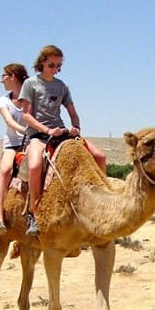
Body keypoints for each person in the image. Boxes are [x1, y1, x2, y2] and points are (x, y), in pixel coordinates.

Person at [18, 44, 106, 236]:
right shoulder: (30, 84)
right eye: (51, 64)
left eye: (58, 65)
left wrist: (76, 128)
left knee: (100, 156)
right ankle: (33, 212)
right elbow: (26, 115)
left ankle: (100, 203)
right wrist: (46, 129)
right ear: (42, 62)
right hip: (39, 134)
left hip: (61, 131)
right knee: (34, 166)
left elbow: (73, 112)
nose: (55, 69)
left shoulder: (62, 86)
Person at [0, 63, 30, 236]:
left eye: (3, 76)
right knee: (6, 169)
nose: (1, 80)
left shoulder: (32, 96)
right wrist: (25, 130)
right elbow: (9, 121)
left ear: (13, 76)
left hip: (31, 140)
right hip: (12, 143)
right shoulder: (3, 100)